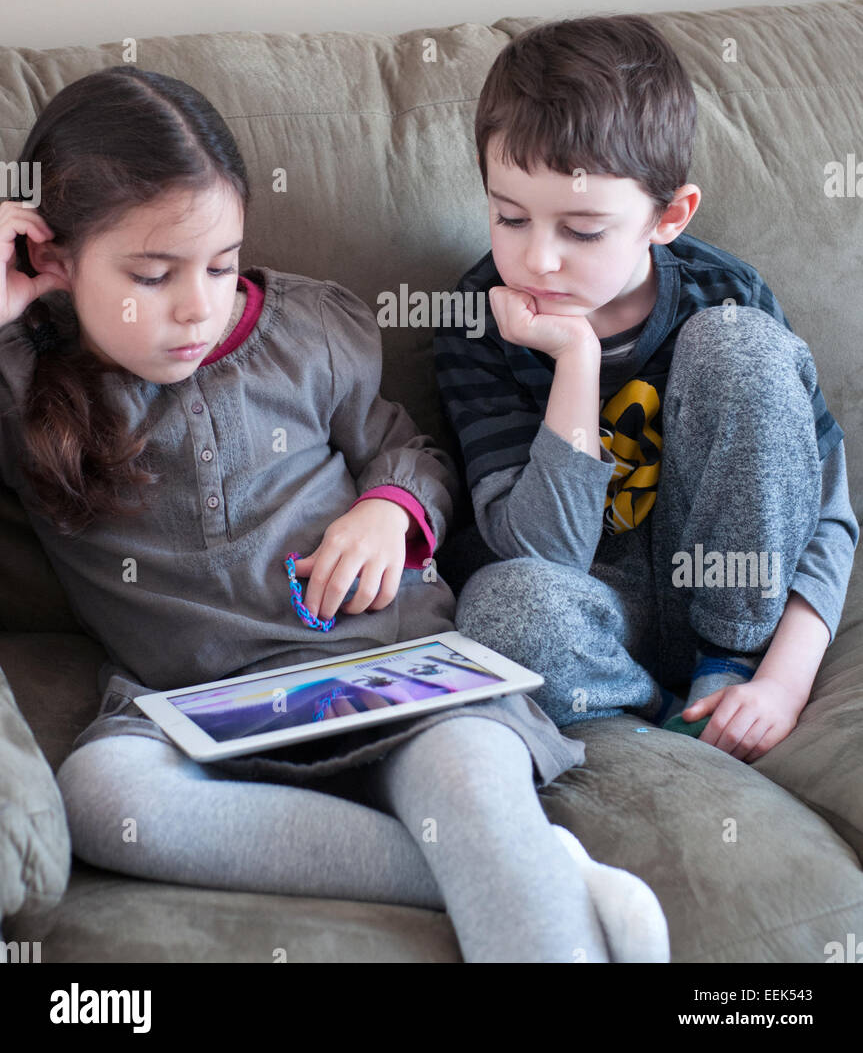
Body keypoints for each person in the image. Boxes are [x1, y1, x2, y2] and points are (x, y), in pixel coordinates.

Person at [0, 64, 670, 964]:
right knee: (101, 797)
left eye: (222, 264)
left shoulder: (309, 330)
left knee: (470, 778)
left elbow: (411, 454)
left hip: (393, 667)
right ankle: (529, 867)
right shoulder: (20, 378)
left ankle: (503, 859)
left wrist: (389, 513)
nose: (197, 306)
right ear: (53, 259)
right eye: (152, 276)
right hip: (192, 704)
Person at [433, 15, 859, 763]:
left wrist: (781, 684)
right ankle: (664, 711)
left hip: (736, 607)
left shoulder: (724, 292)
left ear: (667, 217)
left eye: (582, 230)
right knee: (500, 609)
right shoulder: (478, 319)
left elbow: (823, 512)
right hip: (598, 612)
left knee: (739, 344)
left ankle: (724, 668)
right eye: (508, 217)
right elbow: (542, 553)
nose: (538, 259)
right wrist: (574, 358)